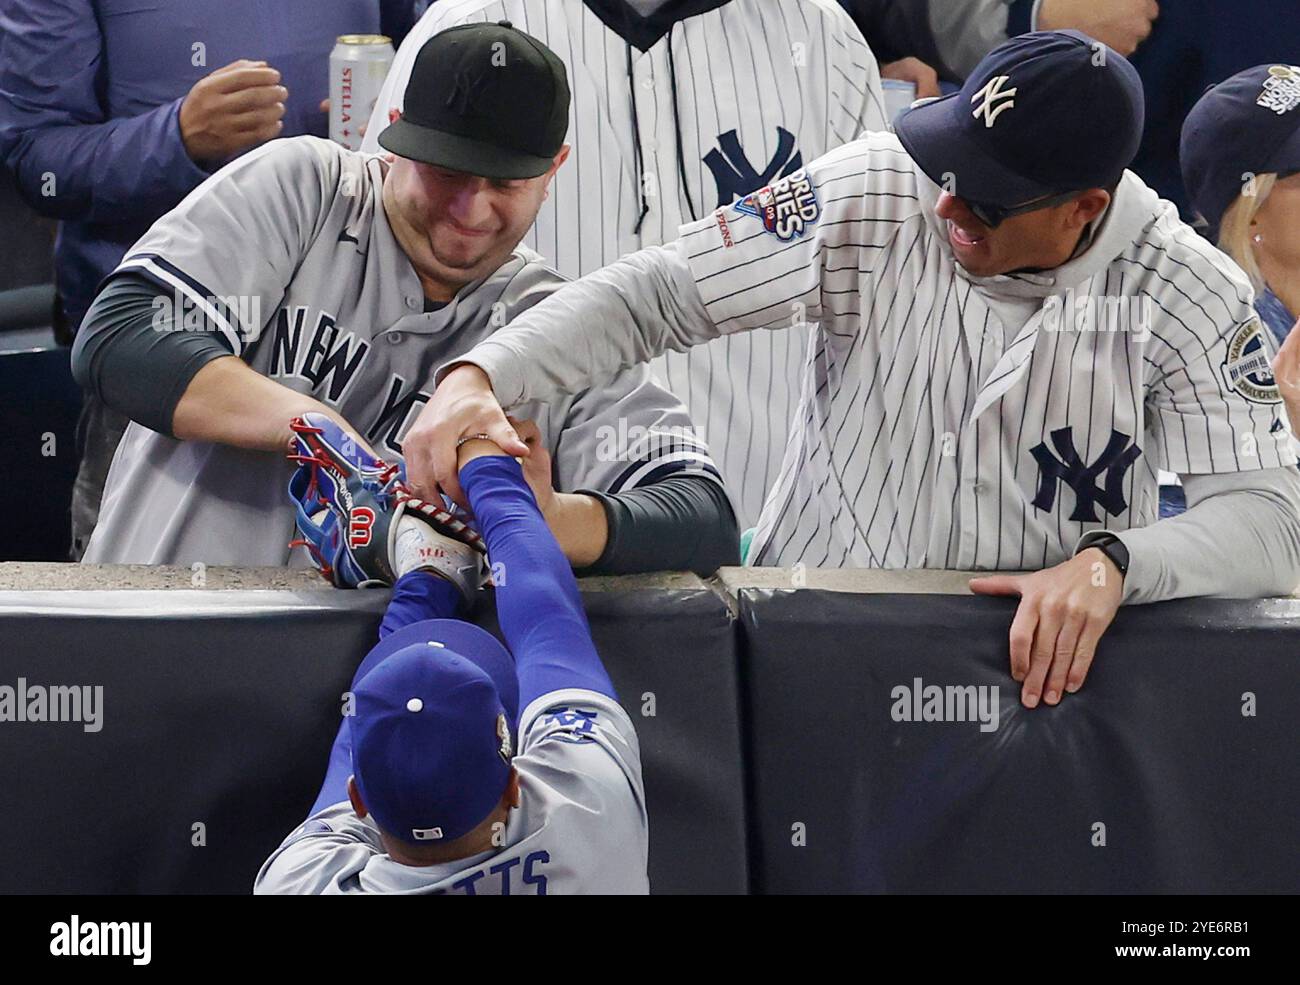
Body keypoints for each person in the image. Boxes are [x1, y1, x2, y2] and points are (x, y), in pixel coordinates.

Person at [410, 31, 1300, 710]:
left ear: (1084, 210)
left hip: (1041, 682)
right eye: (947, 165)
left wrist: (1117, 562)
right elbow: (662, 292)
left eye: (986, 197)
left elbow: (1269, 522)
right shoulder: (878, 184)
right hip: (814, 637)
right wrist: (481, 373)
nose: (948, 201)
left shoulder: (1187, 285)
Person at [71, 23, 735, 576]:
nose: (471, 210)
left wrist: (555, 521)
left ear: (552, 170)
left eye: (505, 183)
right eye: (446, 173)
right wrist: (319, 431)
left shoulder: (548, 317)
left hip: (371, 698)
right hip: (161, 623)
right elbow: (118, 336)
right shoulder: (306, 189)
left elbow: (704, 520)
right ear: (394, 137)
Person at [363, 0, 889, 529]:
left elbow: (882, 288)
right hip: (526, 523)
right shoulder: (472, 22)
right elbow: (386, 266)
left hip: (774, 520)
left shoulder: (824, 35)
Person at [0, 0, 397, 558]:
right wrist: (178, 136)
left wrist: (400, 108)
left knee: (380, 609)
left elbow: (444, 51)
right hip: (165, 360)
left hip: (372, 348)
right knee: (136, 618)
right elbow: (33, 161)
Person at [255, 414, 647, 894]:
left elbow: (347, 770)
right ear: (512, 785)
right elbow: (549, 621)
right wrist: (482, 451)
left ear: (360, 801)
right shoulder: (588, 806)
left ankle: (438, 566)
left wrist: (428, 580)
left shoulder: (300, 884)